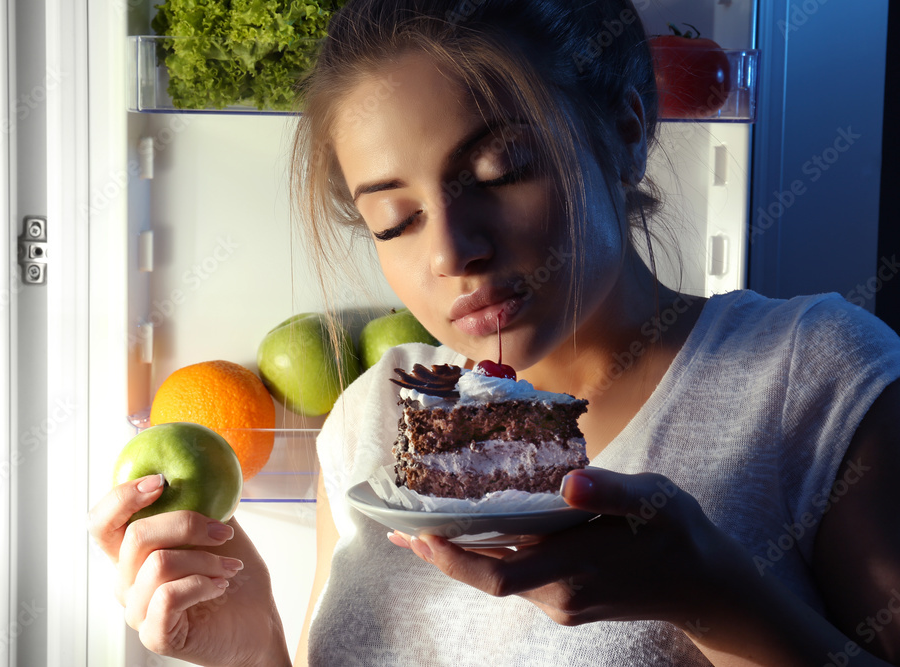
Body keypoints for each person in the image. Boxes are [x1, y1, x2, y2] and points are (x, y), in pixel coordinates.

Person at [87, 0, 900, 665]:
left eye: (501, 171)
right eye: (395, 220)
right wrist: (251, 647)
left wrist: (717, 603)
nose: (452, 252)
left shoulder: (815, 378)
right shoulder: (375, 418)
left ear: (625, 130)